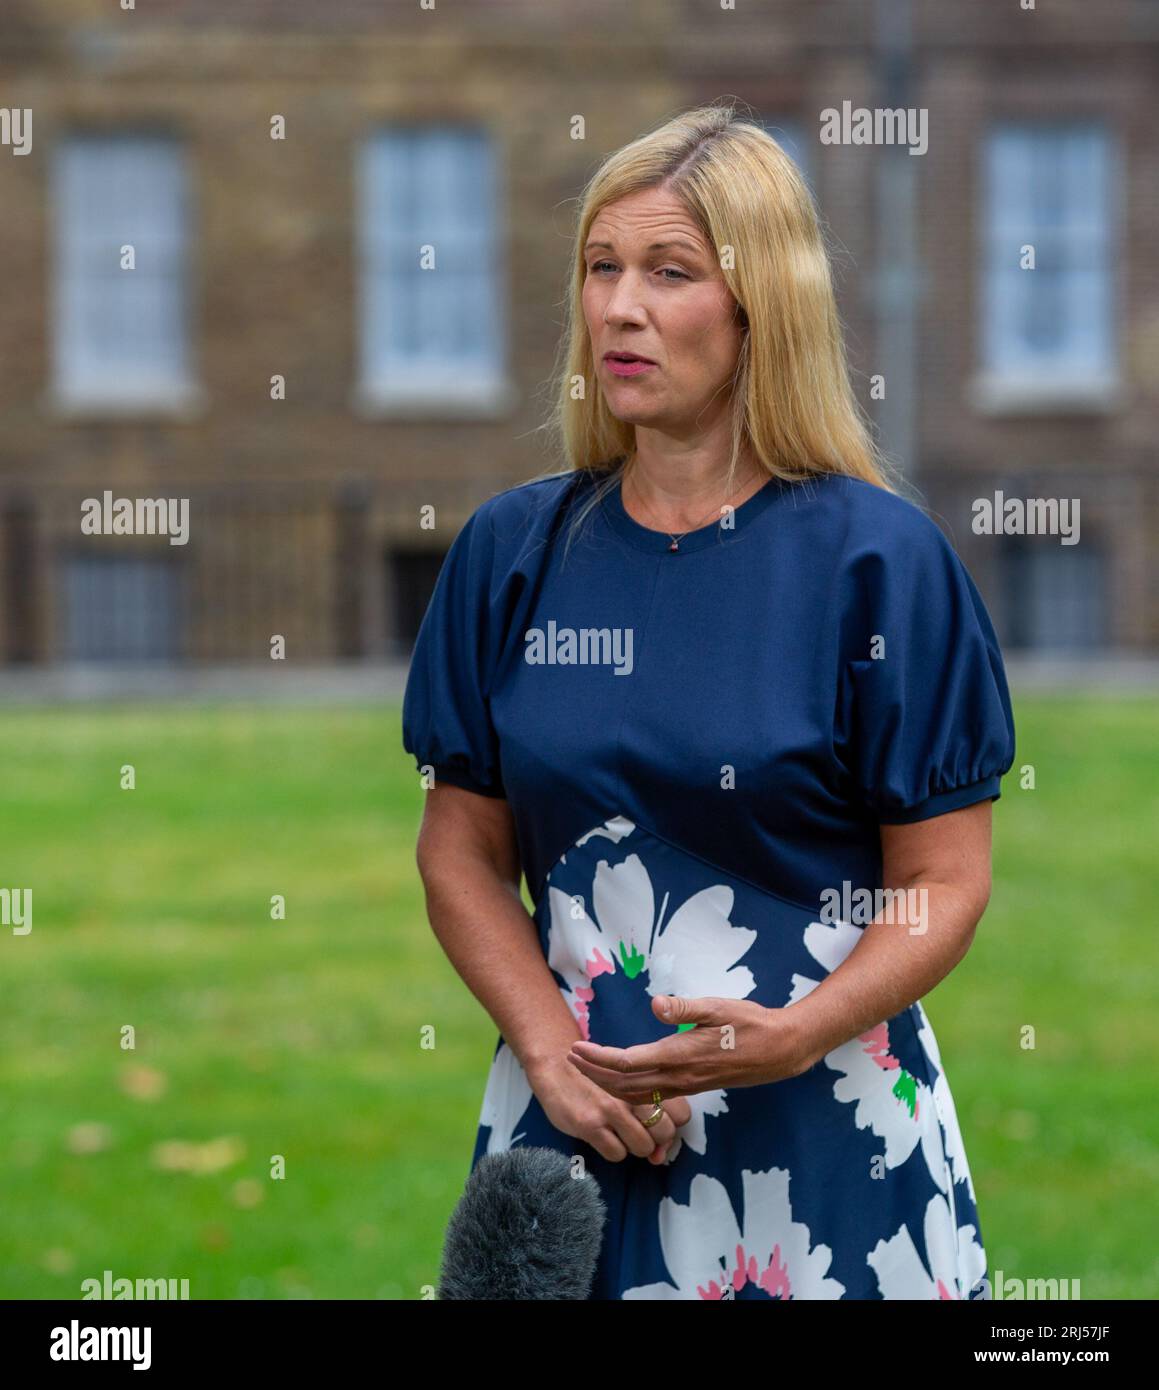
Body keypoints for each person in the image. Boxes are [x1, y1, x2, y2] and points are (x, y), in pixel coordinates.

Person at [402, 101, 1015, 1300]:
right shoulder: (510, 553)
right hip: (577, 1130)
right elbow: (460, 853)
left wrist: (801, 1030)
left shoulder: (880, 565)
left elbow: (943, 878)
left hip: (829, 1136)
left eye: (668, 272)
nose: (618, 307)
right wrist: (547, 1047)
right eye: (600, 267)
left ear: (757, 307)